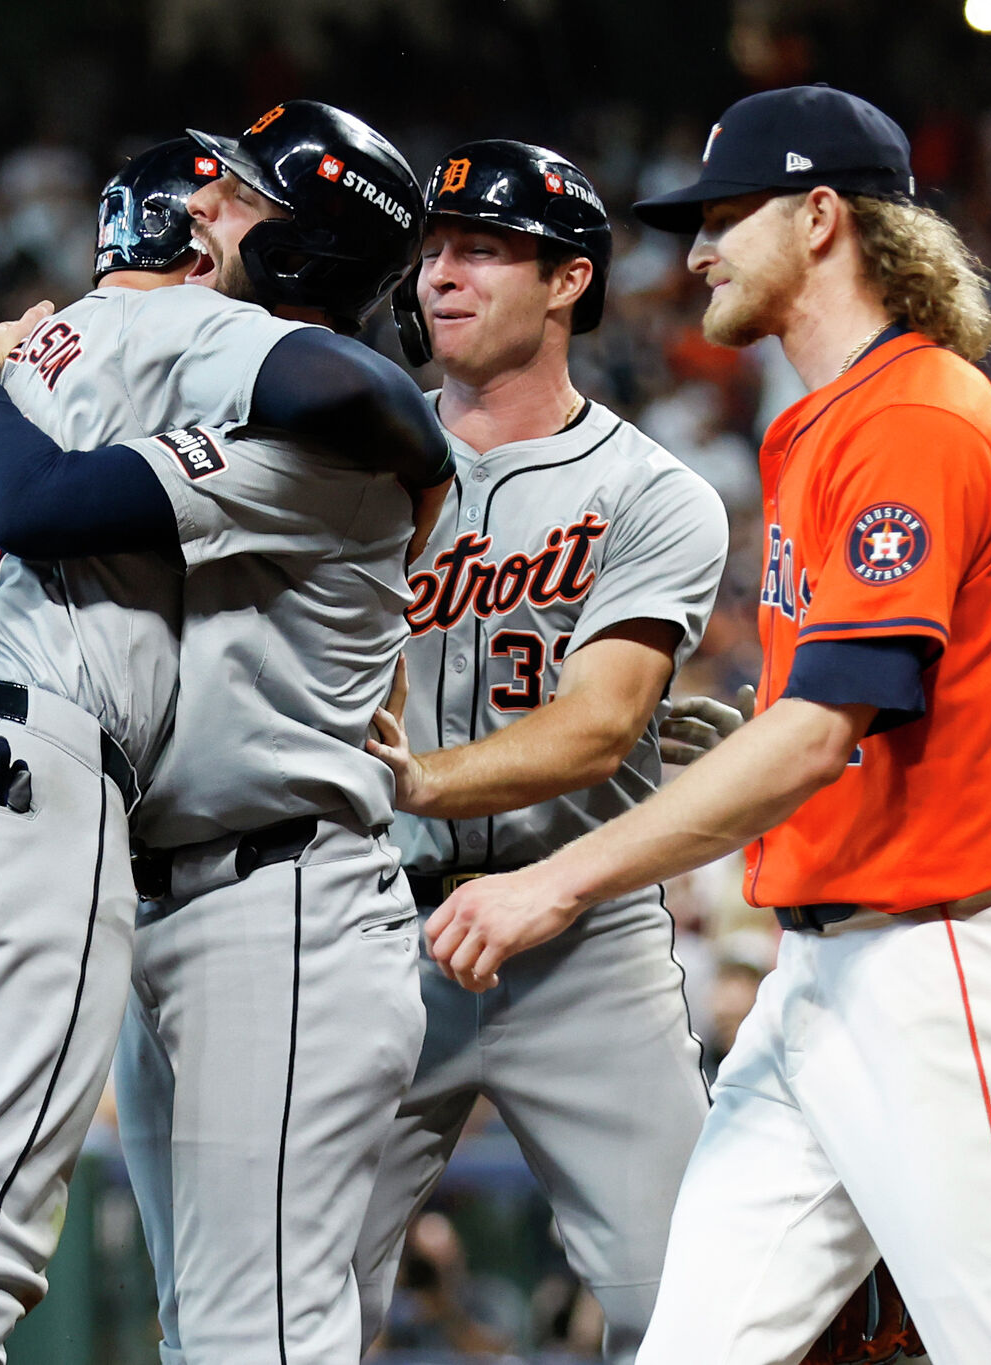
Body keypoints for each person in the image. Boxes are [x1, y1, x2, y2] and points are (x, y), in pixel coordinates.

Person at [0, 117, 444, 1365]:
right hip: (30, 792)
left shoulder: (65, 362)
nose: (219, 207)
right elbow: (28, 539)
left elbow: (25, 512)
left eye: (248, 196)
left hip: (235, 875)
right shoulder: (174, 346)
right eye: (218, 191)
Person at [427, 85, 991, 1365]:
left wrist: (553, 881)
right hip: (822, 977)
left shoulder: (909, 414)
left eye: (722, 217)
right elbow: (832, 729)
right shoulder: (832, 419)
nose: (695, 252)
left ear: (817, 218)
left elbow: (816, 733)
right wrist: (749, 744)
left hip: (943, 971)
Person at [350, 140, 727, 1363]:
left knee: (692, 1313)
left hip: (578, 935)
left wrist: (423, 777)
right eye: (432, 250)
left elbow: (601, 725)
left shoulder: (649, 492)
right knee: (291, 1309)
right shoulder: (346, 464)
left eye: (482, 250)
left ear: (568, 281)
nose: (440, 275)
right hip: (372, 925)